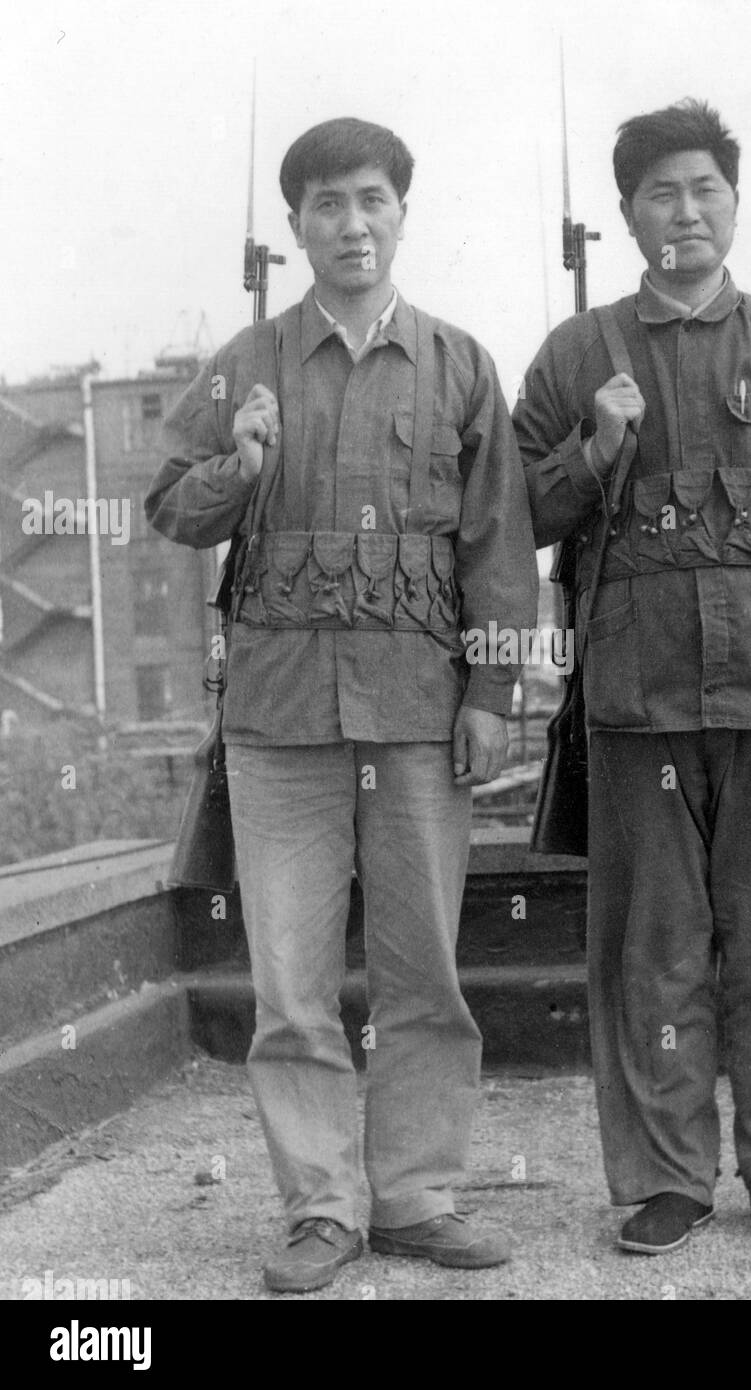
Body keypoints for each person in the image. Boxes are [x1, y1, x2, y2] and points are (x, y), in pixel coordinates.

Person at [147, 117, 538, 1291]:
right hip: (278, 722)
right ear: (296, 223)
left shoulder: (461, 363)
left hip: (420, 715)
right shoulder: (241, 365)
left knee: (424, 973)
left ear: (401, 211)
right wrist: (244, 467)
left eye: (371, 199)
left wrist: (493, 691)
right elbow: (170, 509)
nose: (351, 223)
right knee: (292, 986)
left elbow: (498, 547)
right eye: (326, 203)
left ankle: (415, 1195)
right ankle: (323, 1208)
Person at [514, 99, 751, 1255]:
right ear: (627, 213)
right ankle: (664, 1176)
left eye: (704, 191)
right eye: (658, 194)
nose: (683, 212)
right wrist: (591, 448)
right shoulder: (575, 354)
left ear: (731, 204)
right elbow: (509, 519)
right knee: (653, 948)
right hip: (634, 705)